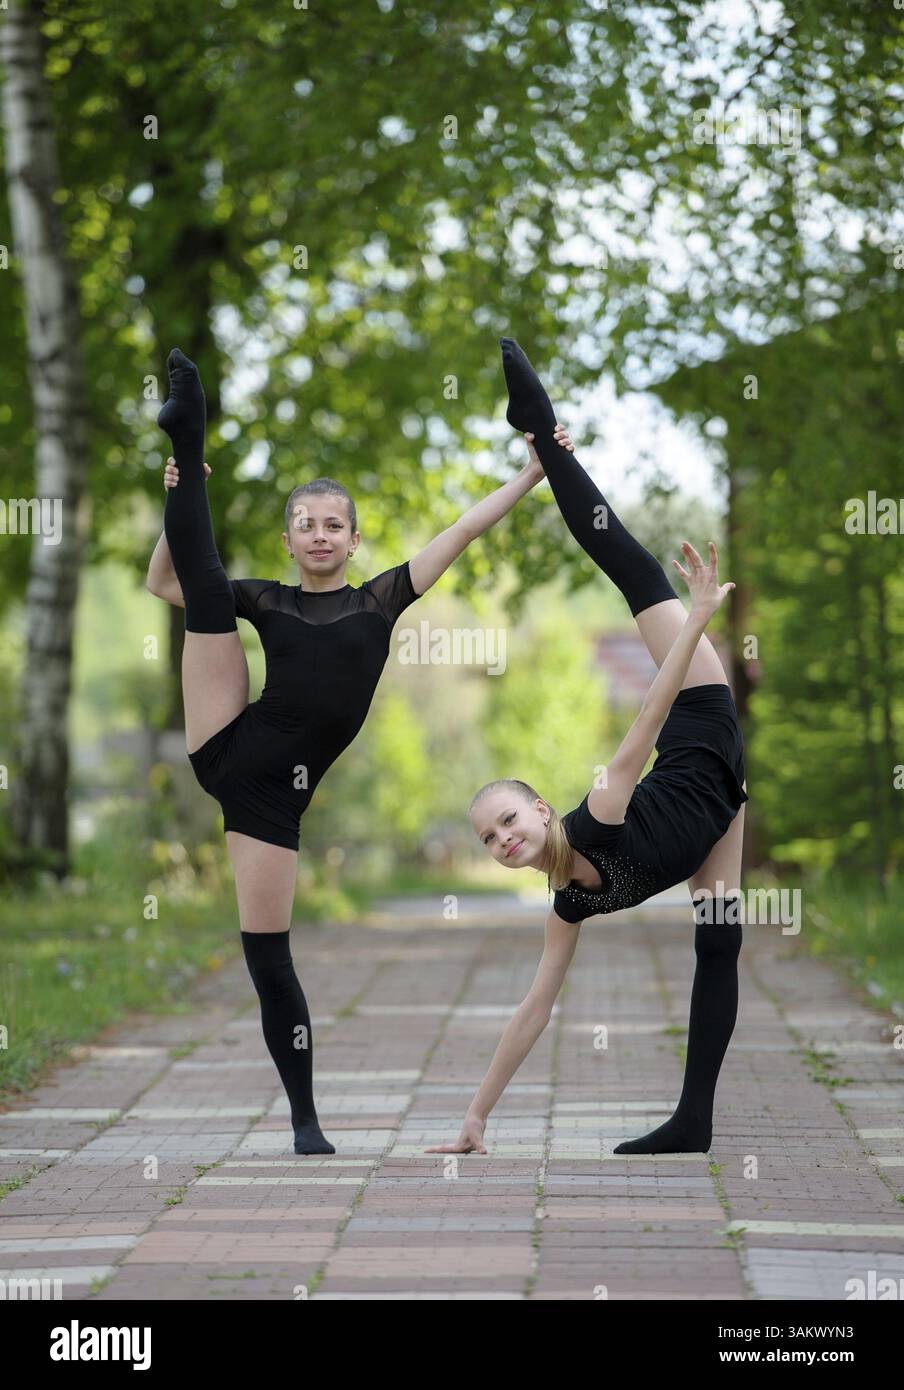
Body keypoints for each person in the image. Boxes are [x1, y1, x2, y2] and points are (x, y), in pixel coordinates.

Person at [146, 347, 571, 1155]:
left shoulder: (382, 601)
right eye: (304, 523)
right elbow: (167, 584)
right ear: (288, 538)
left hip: (263, 802)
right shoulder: (264, 601)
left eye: (332, 524)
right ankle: (184, 439)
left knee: (272, 960)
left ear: (353, 538)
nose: (318, 534)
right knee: (205, 592)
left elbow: (463, 529)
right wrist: (178, 498)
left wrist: (530, 476)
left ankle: (305, 1119)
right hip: (228, 738)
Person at [426, 337, 748, 1159]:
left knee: (629, 565)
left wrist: (700, 618)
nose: (504, 840)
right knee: (721, 938)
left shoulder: (596, 816)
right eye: (491, 839)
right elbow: (535, 1009)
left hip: (698, 715)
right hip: (720, 803)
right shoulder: (568, 904)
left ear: (539, 807)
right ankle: (697, 1122)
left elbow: (649, 714)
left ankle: (541, 435)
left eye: (507, 819)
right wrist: (476, 1117)